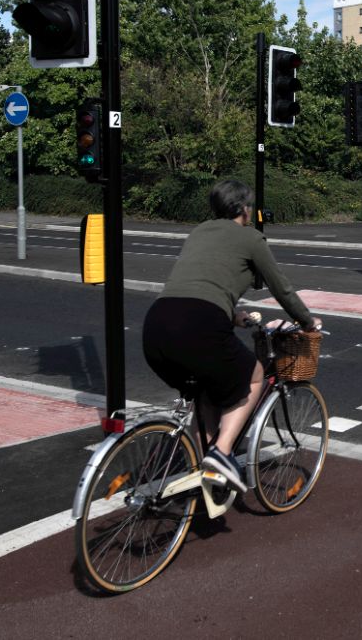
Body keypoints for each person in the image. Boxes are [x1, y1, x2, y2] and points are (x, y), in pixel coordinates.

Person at [142, 179, 322, 493]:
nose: (251, 210)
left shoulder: (199, 232)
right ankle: (223, 454)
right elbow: (282, 288)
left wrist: (232, 314)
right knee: (252, 376)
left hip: (156, 325)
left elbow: (202, 284)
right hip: (200, 325)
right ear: (242, 208)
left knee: (206, 396)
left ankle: (202, 477)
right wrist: (307, 322)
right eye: (249, 205)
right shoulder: (251, 238)